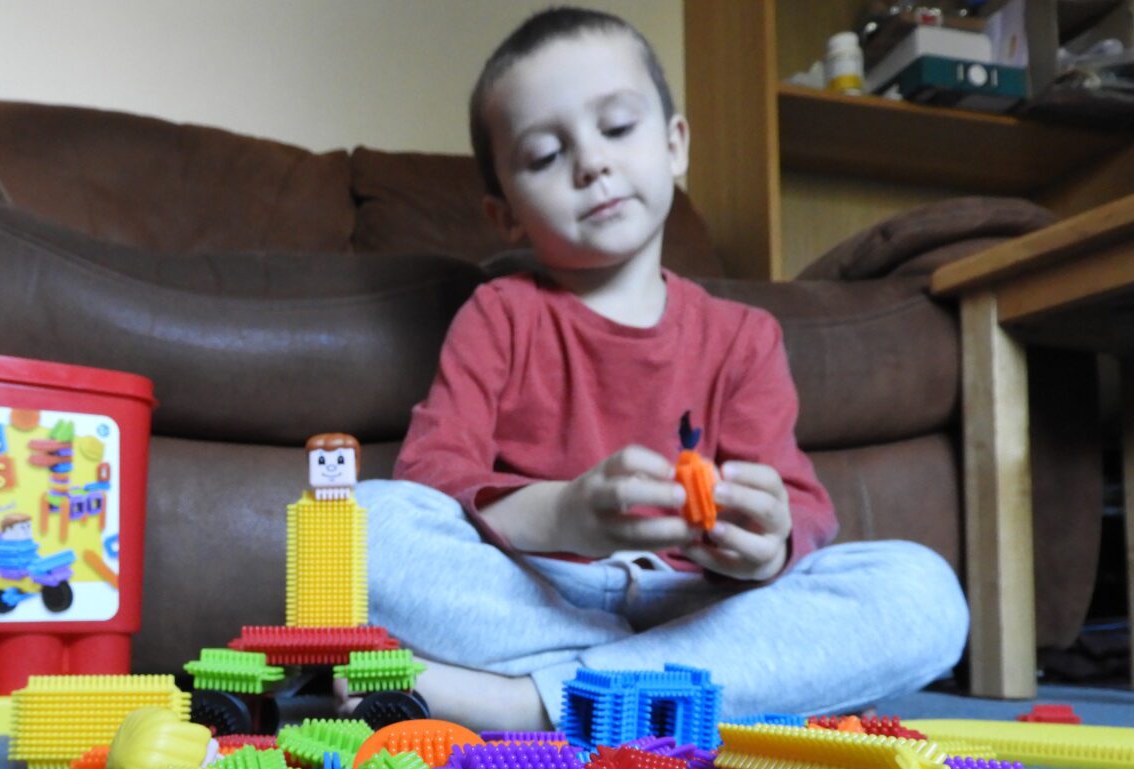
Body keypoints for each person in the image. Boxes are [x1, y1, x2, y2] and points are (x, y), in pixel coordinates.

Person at [353, 6, 968, 732]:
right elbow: (429, 478)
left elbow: (796, 506)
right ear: (505, 214)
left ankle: (533, 702)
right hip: (541, 591)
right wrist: (564, 515)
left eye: (617, 127)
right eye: (545, 155)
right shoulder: (499, 313)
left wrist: (763, 546)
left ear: (675, 146)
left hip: (704, 605)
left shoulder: (745, 337)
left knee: (925, 593)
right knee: (358, 526)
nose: (592, 163)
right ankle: (658, 688)